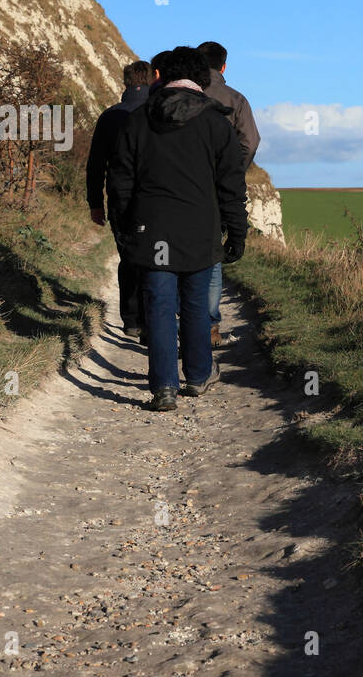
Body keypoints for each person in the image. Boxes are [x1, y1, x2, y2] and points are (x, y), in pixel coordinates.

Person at [109, 46, 248, 411]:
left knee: (159, 305)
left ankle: (164, 387)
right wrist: (237, 232)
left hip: (151, 229)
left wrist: (123, 226)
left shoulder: (137, 121)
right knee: (196, 305)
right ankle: (199, 375)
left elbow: (120, 180)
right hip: (201, 229)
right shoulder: (217, 124)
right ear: (201, 78)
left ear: (162, 77)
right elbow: (232, 187)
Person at [197, 41, 261, 347]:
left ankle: (180, 322)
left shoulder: (181, 96)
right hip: (218, 190)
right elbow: (250, 140)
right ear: (224, 67)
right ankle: (209, 326)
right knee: (211, 258)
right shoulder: (236, 99)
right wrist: (233, 170)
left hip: (178, 186)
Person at [85, 60, 154, 339]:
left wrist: (94, 203)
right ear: (152, 80)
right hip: (155, 197)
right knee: (155, 257)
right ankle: (154, 317)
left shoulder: (109, 116)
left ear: (124, 83)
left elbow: (95, 164)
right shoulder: (157, 113)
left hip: (120, 197)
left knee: (128, 255)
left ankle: (132, 319)